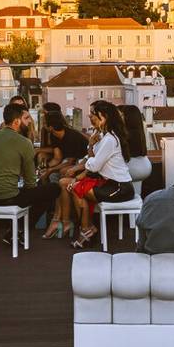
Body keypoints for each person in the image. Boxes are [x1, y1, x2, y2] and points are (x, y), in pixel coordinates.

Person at [0, 103, 60, 240]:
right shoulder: (24, 142)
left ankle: (16, 231)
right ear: (16, 121)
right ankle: (19, 230)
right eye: (26, 118)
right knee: (53, 189)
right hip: (5, 197)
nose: (29, 121)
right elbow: (30, 183)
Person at [59, 100, 134, 249]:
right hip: (110, 184)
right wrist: (92, 146)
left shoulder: (109, 140)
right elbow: (92, 159)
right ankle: (87, 229)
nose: (90, 116)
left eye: (93, 114)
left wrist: (84, 165)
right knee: (77, 188)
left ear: (103, 117)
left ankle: (87, 229)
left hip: (119, 188)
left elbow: (94, 165)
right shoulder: (104, 136)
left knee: (77, 188)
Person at [39, 110, 88, 185]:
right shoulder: (53, 135)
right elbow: (57, 158)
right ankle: (53, 194)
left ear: (51, 127)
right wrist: (46, 168)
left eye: (44, 123)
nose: (43, 125)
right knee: (52, 175)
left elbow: (70, 162)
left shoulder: (71, 136)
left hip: (82, 161)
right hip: (69, 161)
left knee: (62, 171)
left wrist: (50, 170)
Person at [119, 104, 152, 183]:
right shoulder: (138, 132)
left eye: (121, 115)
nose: (119, 118)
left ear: (128, 117)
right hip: (144, 165)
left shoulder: (127, 134)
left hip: (133, 167)